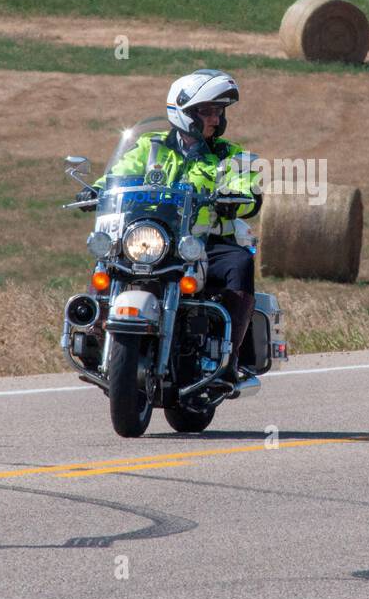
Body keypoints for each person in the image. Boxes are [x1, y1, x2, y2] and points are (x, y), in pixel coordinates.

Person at [77, 69, 262, 384]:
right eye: (207, 111)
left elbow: (248, 189)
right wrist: (94, 190)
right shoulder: (150, 146)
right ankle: (94, 335)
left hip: (205, 243)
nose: (216, 119)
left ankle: (228, 357)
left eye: (219, 112)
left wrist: (237, 198)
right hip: (153, 237)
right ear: (183, 112)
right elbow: (117, 174)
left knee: (241, 263)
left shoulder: (231, 155)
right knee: (108, 257)